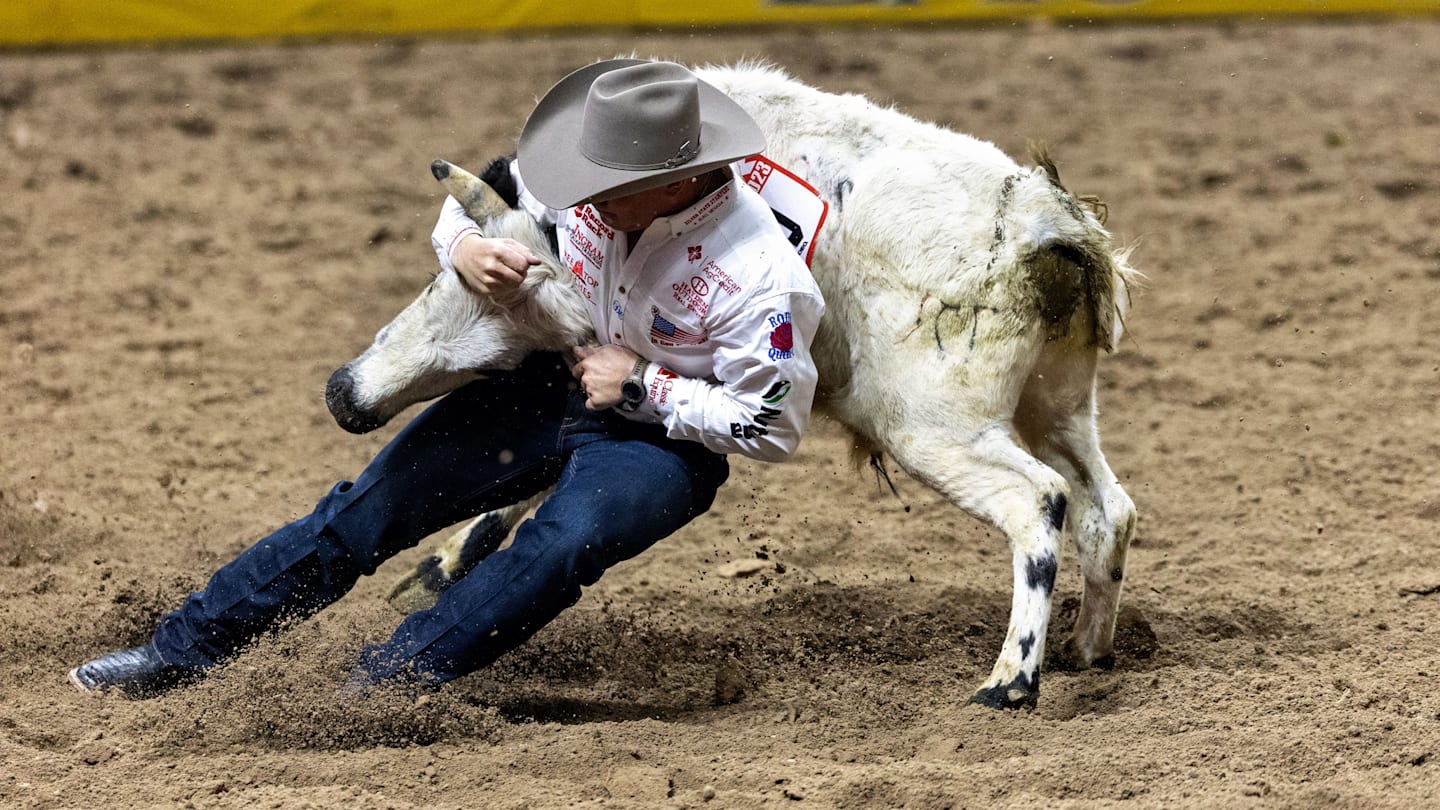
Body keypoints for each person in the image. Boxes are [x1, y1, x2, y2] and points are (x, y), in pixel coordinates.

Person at [68, 59, 826, 698]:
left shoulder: (762, 278)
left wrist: (642, 387)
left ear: (676, 183)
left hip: (662, 443)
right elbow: (478, 204)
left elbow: (774, 424)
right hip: (541, 387)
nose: (581, 198)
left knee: (563, 544)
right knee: (370, 508)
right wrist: (463, 249)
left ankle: (380, 688)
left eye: (607, 188)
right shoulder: (582, 176)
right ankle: (177, 652)